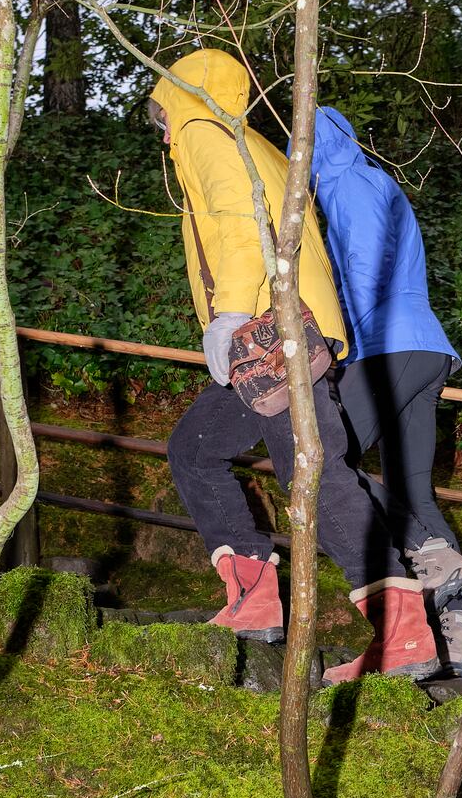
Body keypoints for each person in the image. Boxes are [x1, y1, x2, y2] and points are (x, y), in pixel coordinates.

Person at [152, 48, 439, 685]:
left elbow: (237, 223)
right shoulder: (259, 142)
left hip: (268, 334)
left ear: (181, 95)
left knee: (261, 465)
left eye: (159, 108)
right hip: (301, 337)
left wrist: (227, 316)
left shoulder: (206, 132)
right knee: (279, 463)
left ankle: (375, 625)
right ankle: (383, 625)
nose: (160, 125)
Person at [304, 106, 462, 678]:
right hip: (421, 348)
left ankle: (428, 574)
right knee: (414, 494)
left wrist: (335, 348)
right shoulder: (366, 179)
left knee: (320, 462)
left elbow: (365, 268)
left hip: (387, 345)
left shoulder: (348, 183)